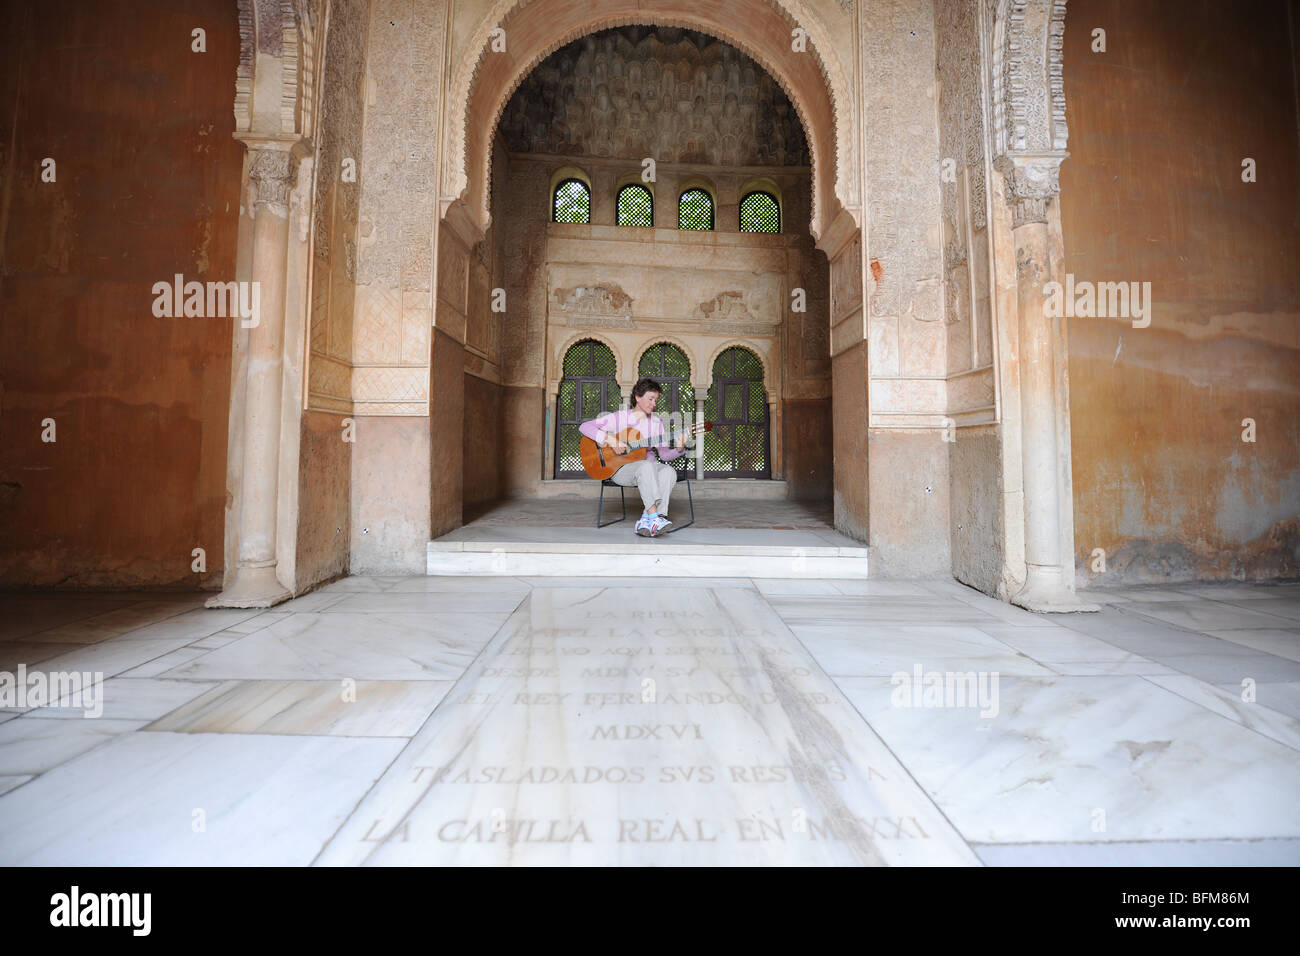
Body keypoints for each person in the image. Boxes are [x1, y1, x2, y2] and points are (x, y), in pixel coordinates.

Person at [579, 377, 688, 536]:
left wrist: (679, 448)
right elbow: (585, 427)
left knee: (668, 471)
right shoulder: (619, 417)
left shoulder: (656, 423)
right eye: (650, 399)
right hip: (618, 468)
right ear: (637, 396)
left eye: (656, 400)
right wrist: (610, 439)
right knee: (646, 466)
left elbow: (663, 456)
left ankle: (649, 519)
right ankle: (653, 517)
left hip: (647, 468)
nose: (654, 404)